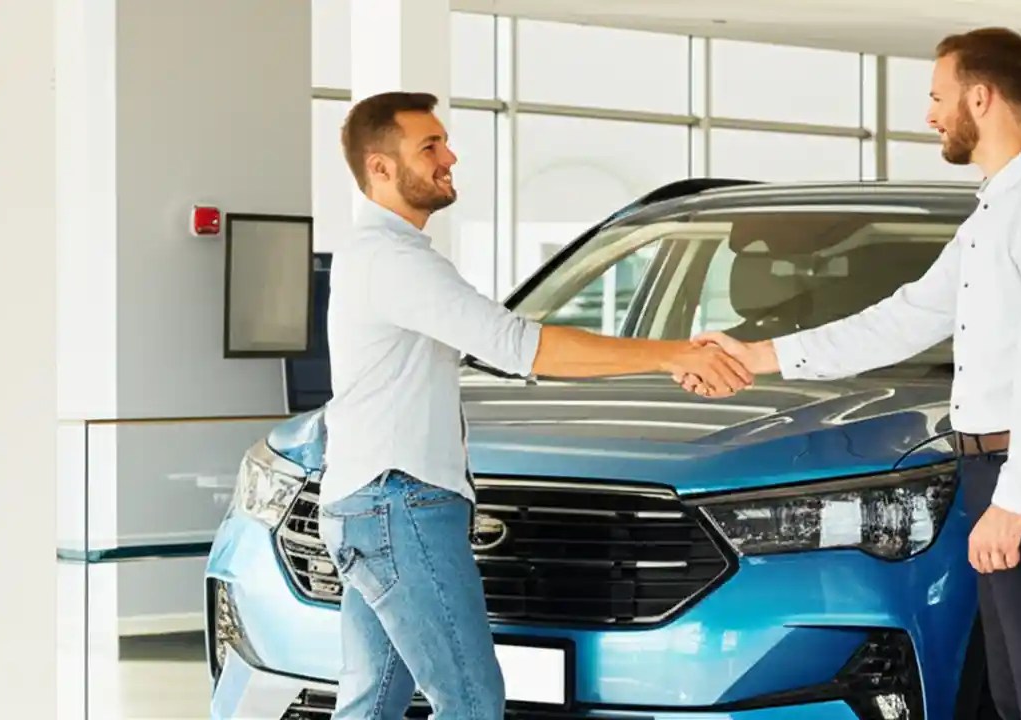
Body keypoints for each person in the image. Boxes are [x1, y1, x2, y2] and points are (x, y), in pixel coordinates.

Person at [682, 27, 1021, 720]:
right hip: (988, 470)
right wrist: (760, 356)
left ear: (981, 96)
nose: (931, 114)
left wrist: (1015, 500)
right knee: (1013, 690)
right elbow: (905, 318)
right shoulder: (992, 213)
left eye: (939, 97)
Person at [317, 90, 752, 720]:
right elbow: (521, 346)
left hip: (368, 503)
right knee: (470, 700)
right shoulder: (394, 263)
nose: (450, 157)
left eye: (445, 141)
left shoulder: (379, 257)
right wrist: (670, 354)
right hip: (399, 504)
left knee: (372, 701)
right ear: (380, 168)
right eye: (430, 146)